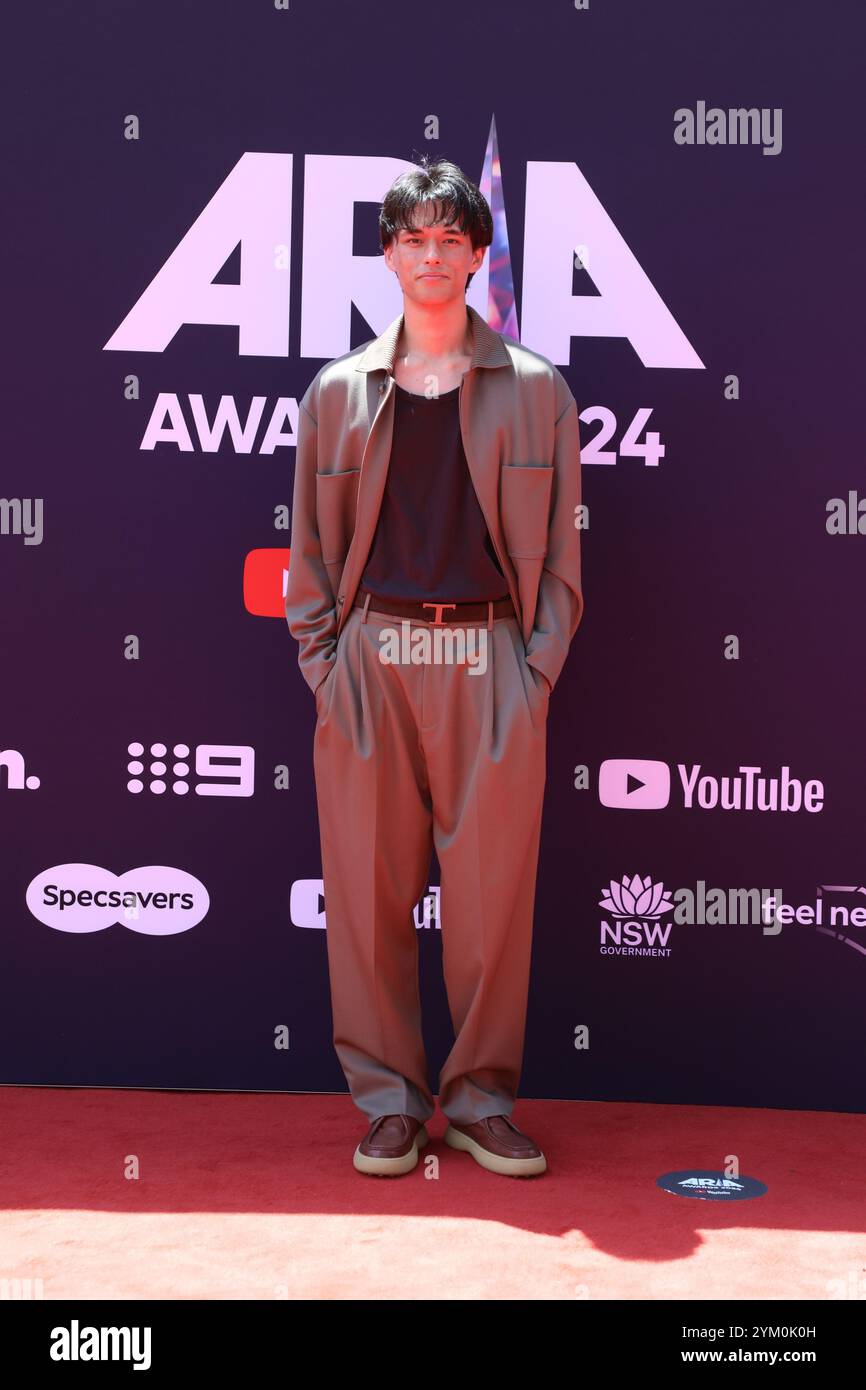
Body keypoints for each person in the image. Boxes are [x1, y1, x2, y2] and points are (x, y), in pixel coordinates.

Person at [285, 156, 584, 1178]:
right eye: (410, 238)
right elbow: (311, 556)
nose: (429, 255)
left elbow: (561, 564)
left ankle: (481, 1099)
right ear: (387, 253)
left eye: (449, 239)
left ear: (476, 256)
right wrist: (327, 662)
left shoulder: (537, 390)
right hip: (372, 652)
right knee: (364, 892)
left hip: (489, 655)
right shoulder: (335, 392)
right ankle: (388, 1103)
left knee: (492, 898)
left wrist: (531, 669)